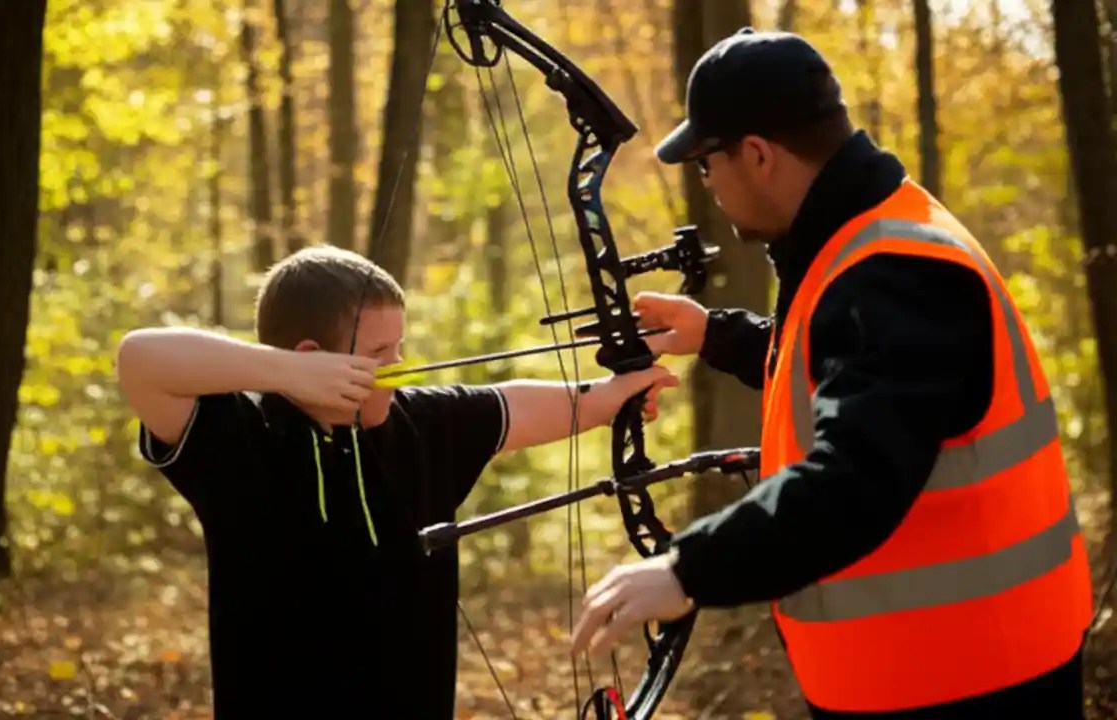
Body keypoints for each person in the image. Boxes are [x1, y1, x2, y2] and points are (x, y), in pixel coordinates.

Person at [569, 27, 1094, 719]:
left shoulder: (894, 268)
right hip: (930, 671)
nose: (708, 185)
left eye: (705, 164)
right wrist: (714, 335)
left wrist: (686, 569)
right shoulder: (865, 241)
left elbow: (858, 478)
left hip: (967, 679)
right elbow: (851, 375)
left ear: (757, 155)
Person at [115, 245, 677, 718]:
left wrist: (611, 395)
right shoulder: (241, 438)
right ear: (311, 357)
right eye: (380, 353)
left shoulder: (418, 425)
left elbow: (520, 407)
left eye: (399, 346)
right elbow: (140, 358)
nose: (401, 364)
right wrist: (284, 372)